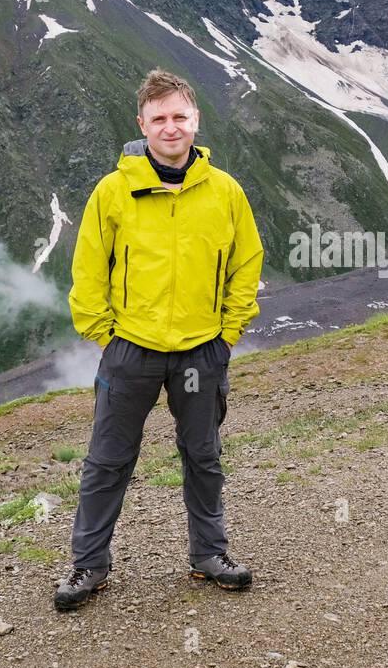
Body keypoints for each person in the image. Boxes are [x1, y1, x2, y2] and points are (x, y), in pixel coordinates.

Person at [55, 68, 264, 611]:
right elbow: (87, 268)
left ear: (195, 120)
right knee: (107, 460)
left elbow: (247, 264)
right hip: (131, 350)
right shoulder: (113, 191)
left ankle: (209, 556)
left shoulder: (225, 192)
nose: (171, 128)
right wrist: (104, 334)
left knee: (204, 456)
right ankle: (89, 566)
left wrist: (227, 334)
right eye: (159, 119)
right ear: (142, 125)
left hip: (201, 350)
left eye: (179, 117)